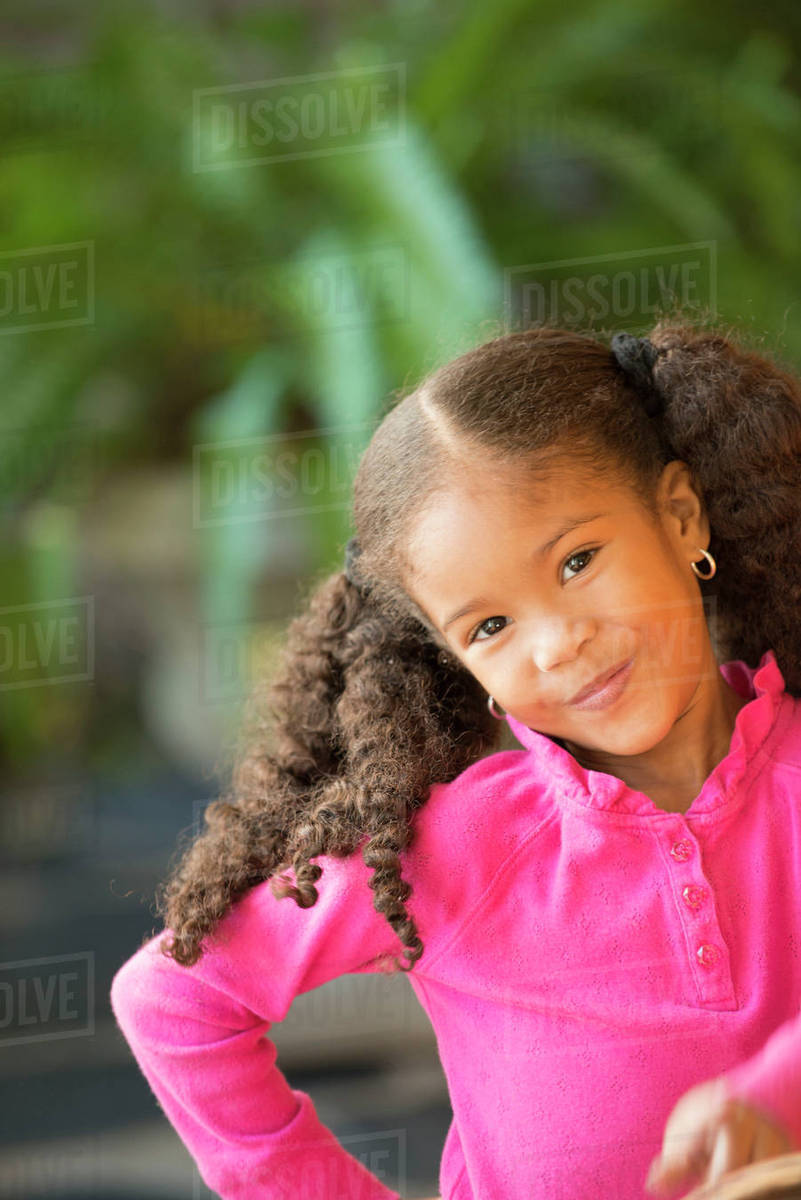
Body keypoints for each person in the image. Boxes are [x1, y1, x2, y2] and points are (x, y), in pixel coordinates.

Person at [110, 314, 801, 1200]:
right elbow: (172, 1001)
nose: (555, 645)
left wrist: (773, 1094)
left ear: (678, 515)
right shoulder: (456, 844)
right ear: (458, 660)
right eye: (490, 626)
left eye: (578, 560)